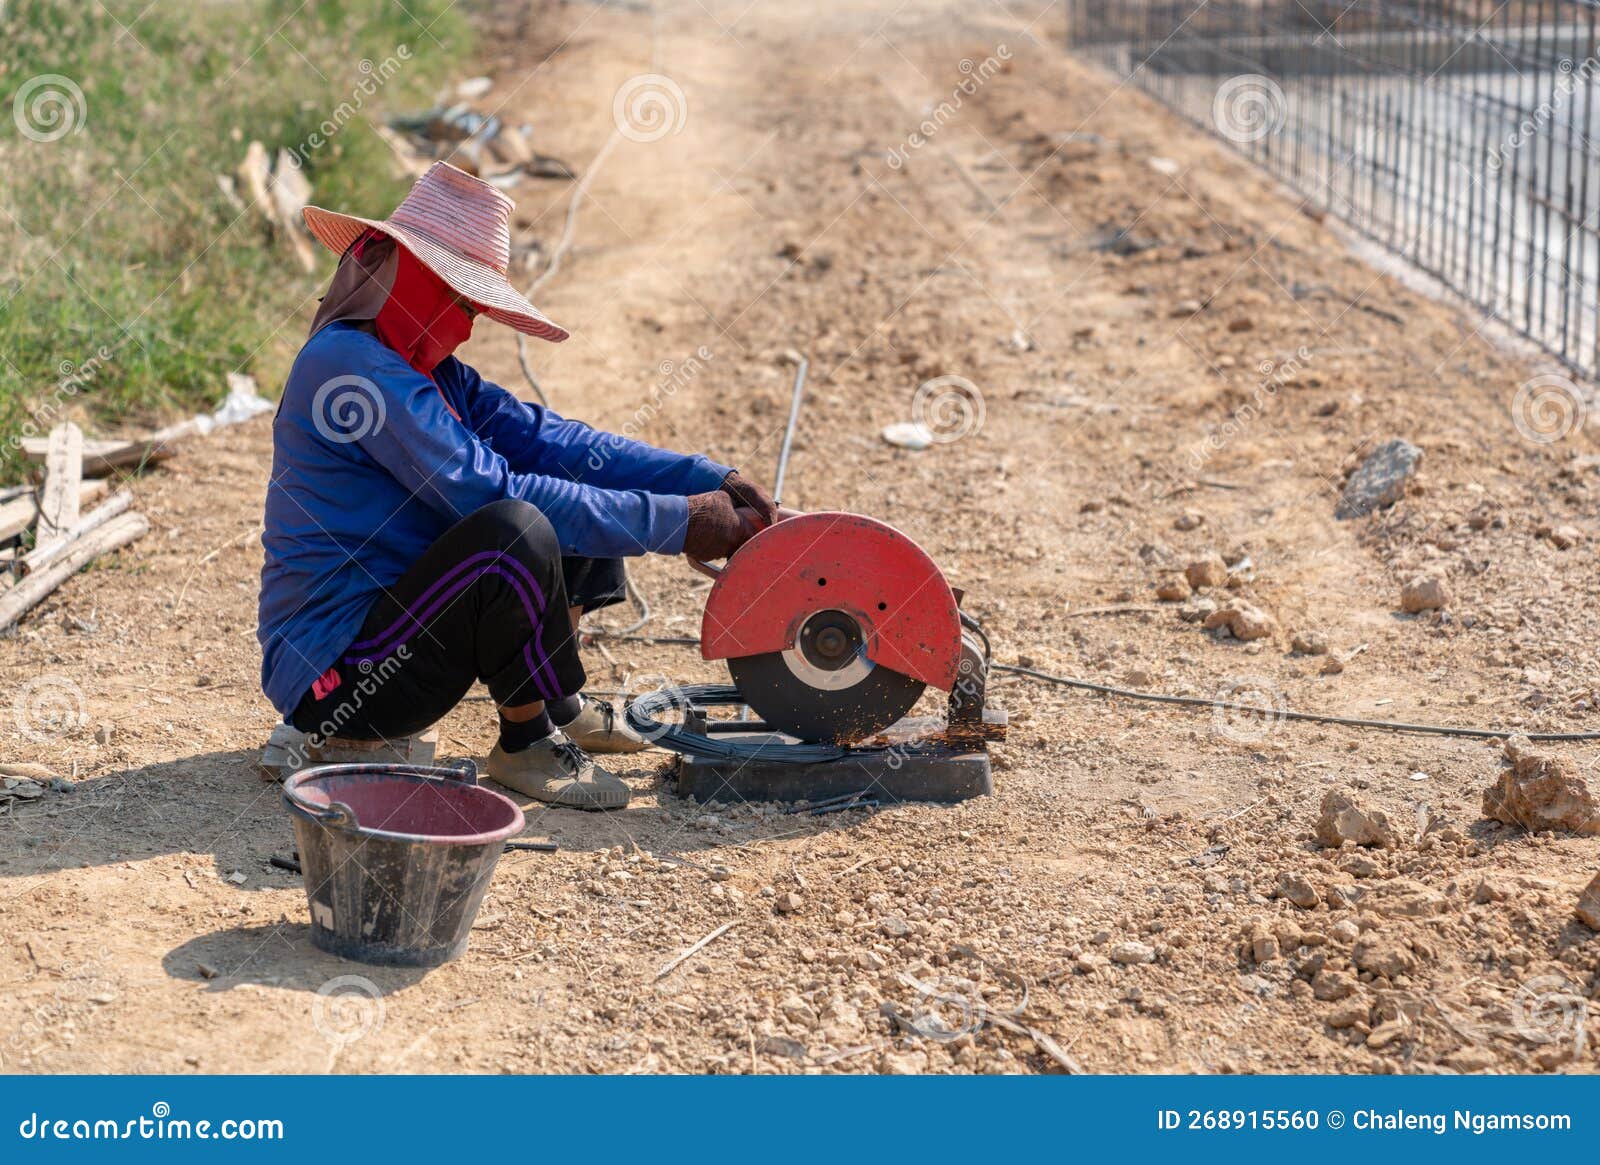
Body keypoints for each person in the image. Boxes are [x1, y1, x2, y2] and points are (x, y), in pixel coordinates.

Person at [257, 162, 776, 809]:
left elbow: (562, 443)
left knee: (574, 480)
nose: (468, 326)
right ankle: (525, 739)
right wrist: (681, 522)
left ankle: (559, 705)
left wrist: (708, 478)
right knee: (517, 526)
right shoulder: (349, 370)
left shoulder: (434, 376)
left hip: (391, 636)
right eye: (461, 302)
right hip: (340, 679)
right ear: (408, 280)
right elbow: (485, 493)